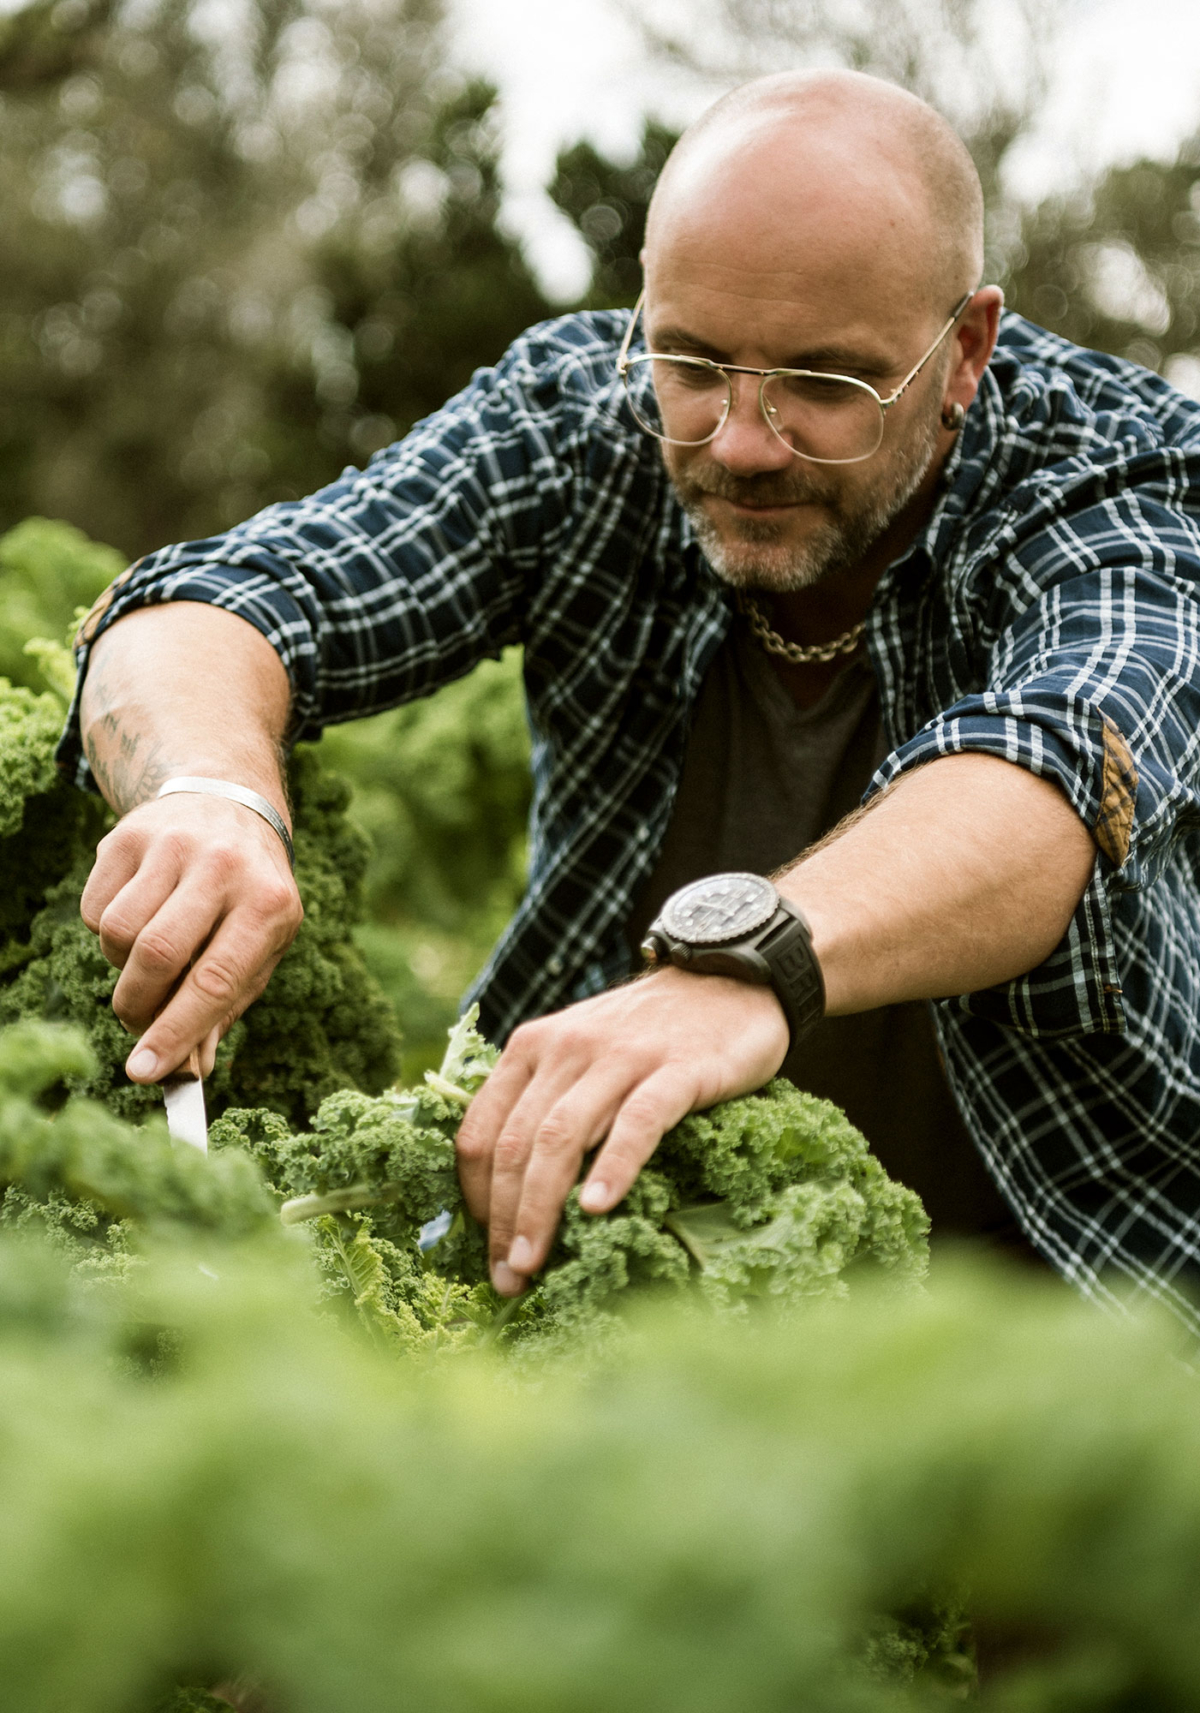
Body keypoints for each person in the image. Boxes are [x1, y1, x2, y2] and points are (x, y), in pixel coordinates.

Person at [61, 70, 1200, 1329]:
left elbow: (1059, 767)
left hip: (1085, 1287)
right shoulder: (580, 423)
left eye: (826, 385)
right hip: (639, 1285)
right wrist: (210, 789)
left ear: (965, 351)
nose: (742, 440)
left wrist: (740, 968)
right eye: (694, 361)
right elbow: (217, 603)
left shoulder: (1119, 476)